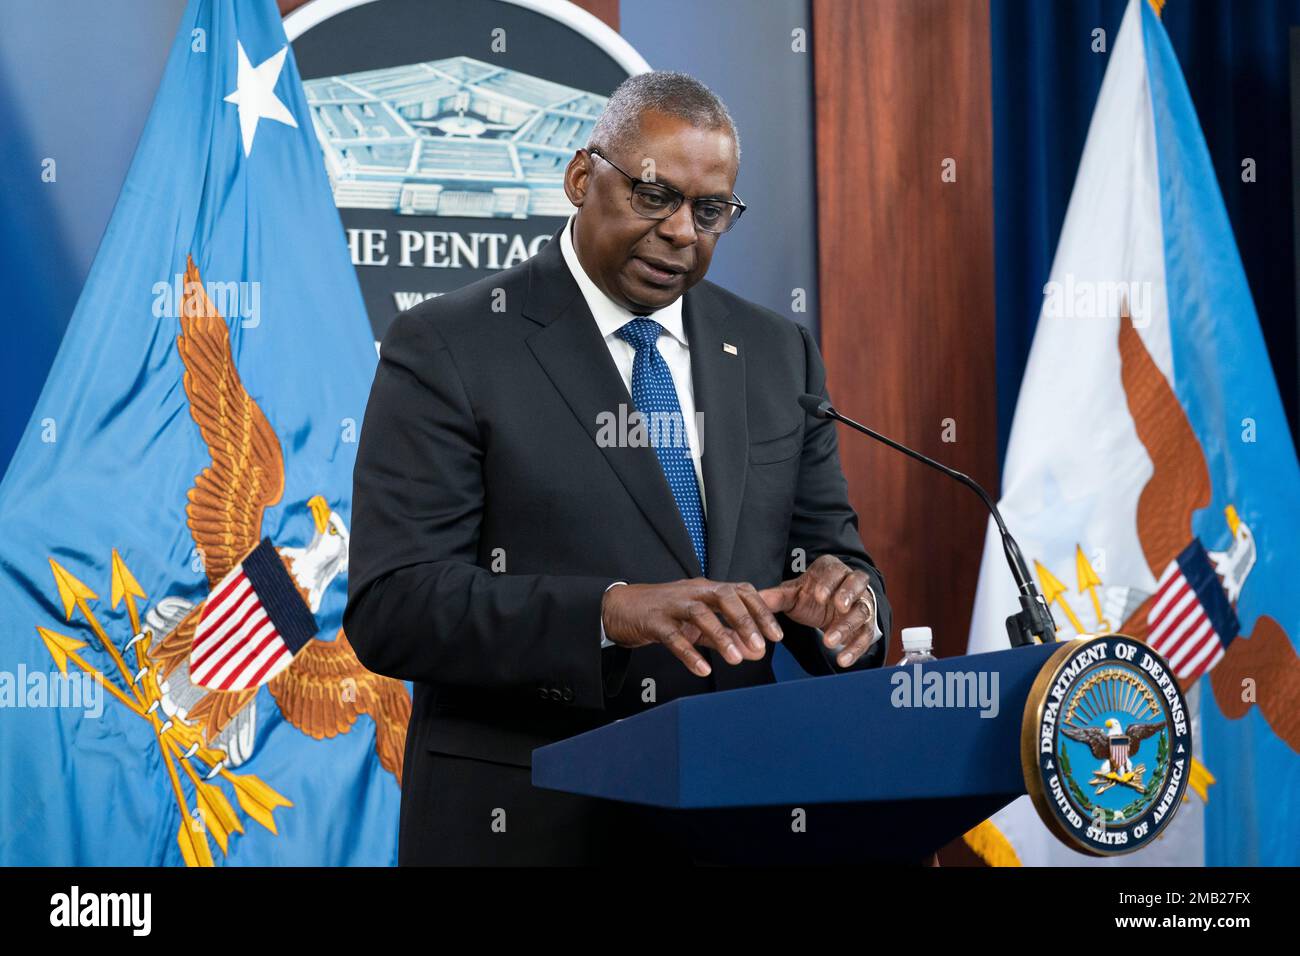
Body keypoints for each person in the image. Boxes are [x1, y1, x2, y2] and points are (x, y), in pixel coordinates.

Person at [345, 71, 892, 865]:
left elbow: (830, 555)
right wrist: (609, 612)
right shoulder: (449, 345)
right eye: (652, 195)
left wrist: (851, 607)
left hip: (734, 820)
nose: (681, 232)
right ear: (580, 178)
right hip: (530, 823)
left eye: (710, 212)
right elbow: (394, 605)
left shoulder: (778, 354)